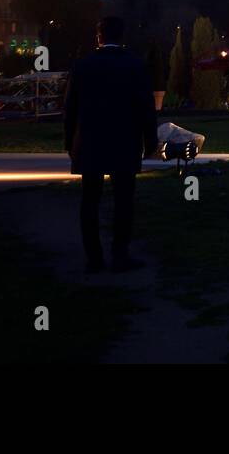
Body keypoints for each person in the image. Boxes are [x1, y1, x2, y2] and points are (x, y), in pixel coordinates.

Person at [63, 17, 157, 273]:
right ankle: (120, 254)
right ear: (122, 37)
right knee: (124, 201)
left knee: (89, 201)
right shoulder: (134, 65)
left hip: (90, 141)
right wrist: (150, 140)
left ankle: (94, 258)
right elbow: (146, 107)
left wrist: (70, 141)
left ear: (99, 37)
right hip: (124, 140)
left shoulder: (82, 66)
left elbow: (70, 108)